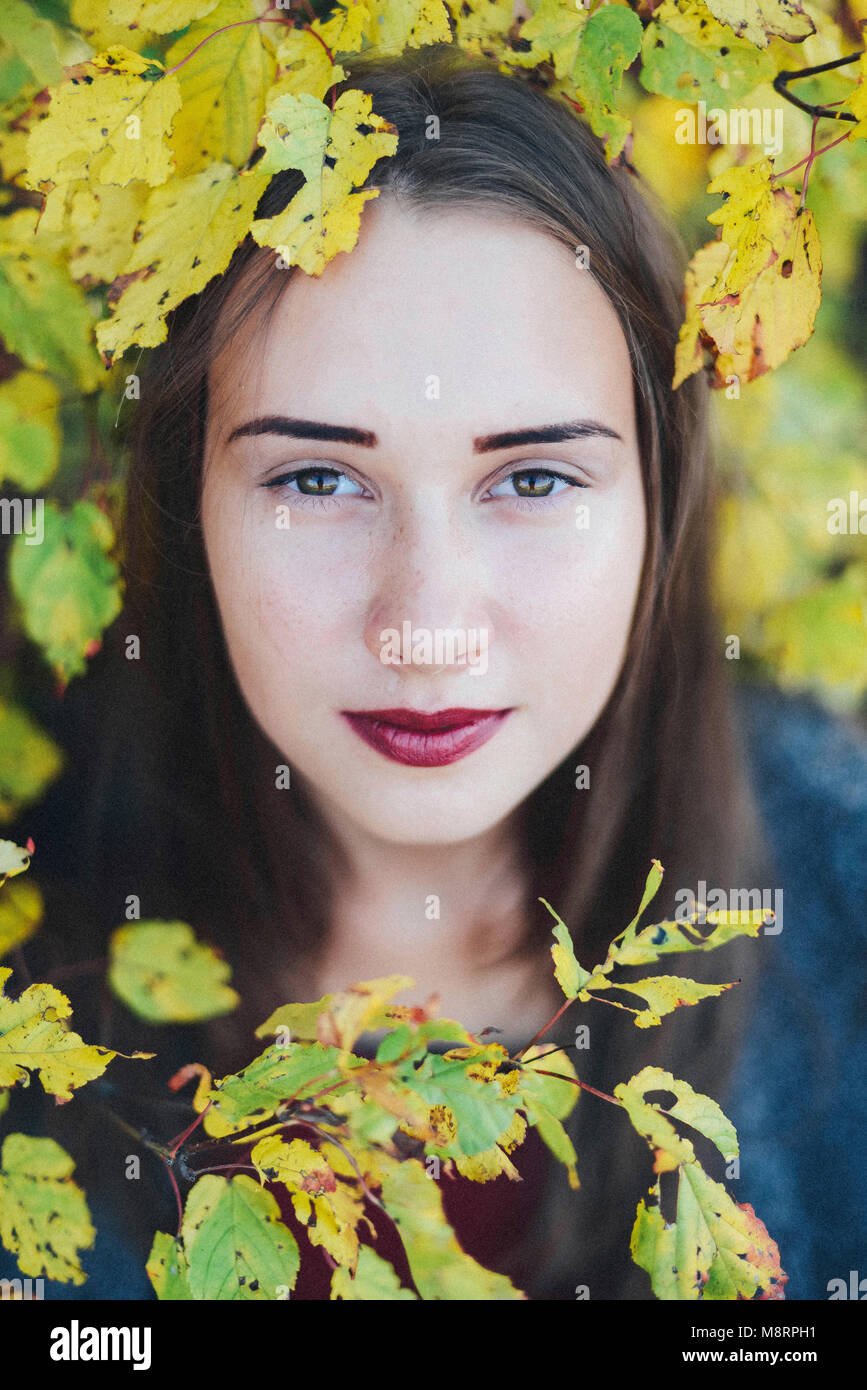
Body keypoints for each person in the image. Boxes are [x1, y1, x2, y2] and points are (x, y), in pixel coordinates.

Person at [3, 44, 865, 1302]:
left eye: (531, 479)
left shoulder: (843, 911)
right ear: (190, 506)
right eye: (316, 478)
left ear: (657, 504)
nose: (425, 625)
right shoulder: (35, 942)